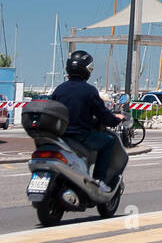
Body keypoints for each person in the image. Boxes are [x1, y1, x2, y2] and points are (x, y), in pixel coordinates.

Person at [51, 50, 125, 193]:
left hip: (61, 136)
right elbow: (103, 114)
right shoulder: (89, 91)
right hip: (80, 136)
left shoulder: (59, 89)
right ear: (86, 70)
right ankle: (99, 181)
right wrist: (115, 120)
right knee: (108, 141)